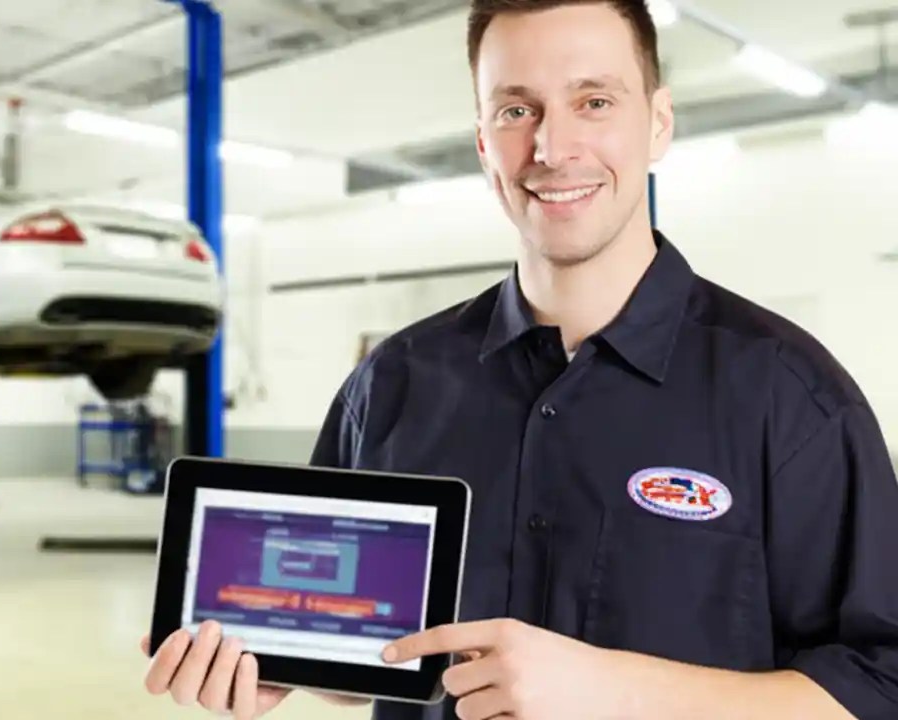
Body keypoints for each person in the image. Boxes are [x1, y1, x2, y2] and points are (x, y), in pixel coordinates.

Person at [140, 1, 898, 717]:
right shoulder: (393, 383)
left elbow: (880, 687)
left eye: (593, 101)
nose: (551, 147)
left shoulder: (790, 396)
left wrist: (612, 689)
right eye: (515, 110)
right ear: (482, 142)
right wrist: (286, 665)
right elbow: (382, 648)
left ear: (658, 123)